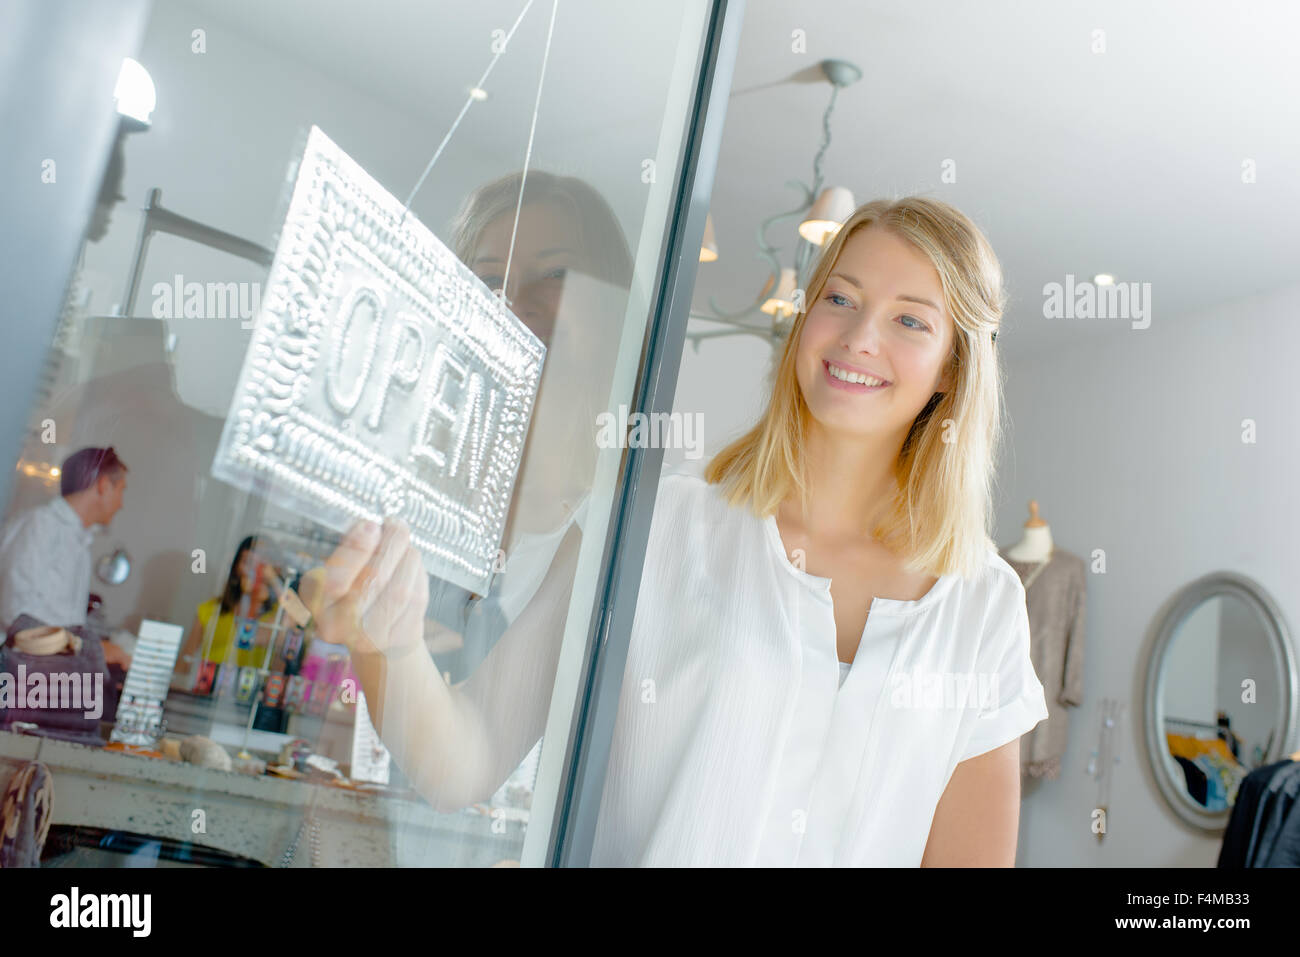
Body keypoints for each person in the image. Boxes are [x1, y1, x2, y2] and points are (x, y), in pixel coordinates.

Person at [299, 196, 1051, 866]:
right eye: (840, 298)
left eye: (909, 319)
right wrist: (388, 641)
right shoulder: (651, 525)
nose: (859, 336)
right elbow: (463, 760)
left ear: (954, 367)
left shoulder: (983, 607)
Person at [0, 446, 132, 668]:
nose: (121, 503)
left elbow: (66, 625)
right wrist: (91, 649)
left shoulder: (80, 544)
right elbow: (16, 616)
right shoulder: (41, 525)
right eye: (121, 490)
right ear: (102, 485)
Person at [174, 535, 279, 686]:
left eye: (261, 566)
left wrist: (274, 583)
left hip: (247, 698)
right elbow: (185, 662)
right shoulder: (210, 610)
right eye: (248, 562)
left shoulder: (276, 617)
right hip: (206, 690)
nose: (253, 572)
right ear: (236, 567)